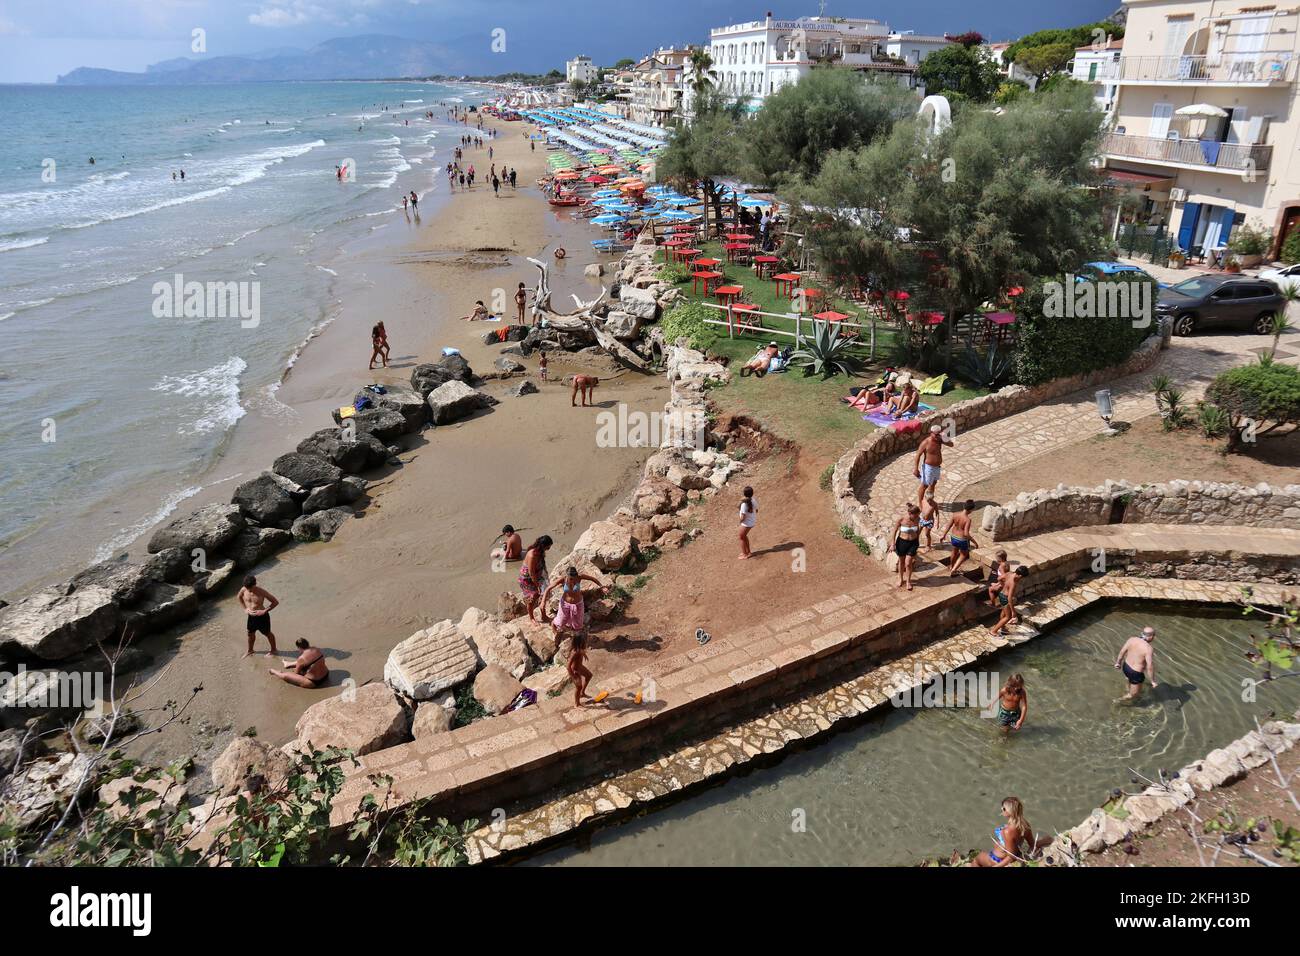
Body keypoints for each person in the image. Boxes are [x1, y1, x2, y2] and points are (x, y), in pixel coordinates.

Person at [541, 565, 608, 640]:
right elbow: (548, 588)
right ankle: (555, 631)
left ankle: (575, 638)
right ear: (567, 576)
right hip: (565, 604)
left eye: (574, 578)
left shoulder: (579, 577)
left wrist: (602, 587)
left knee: (578, 624)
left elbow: (592, 579)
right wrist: (543, 601)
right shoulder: (563, 579)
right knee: (561, 621)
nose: (573, 580)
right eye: (571, 578)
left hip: (578, 604)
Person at [972, 797, 1034, 867]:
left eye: (1003, 808)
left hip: (997, 860)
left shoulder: (1007, 831)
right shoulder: (1024, 824)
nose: (1002, 809)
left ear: (1009, 811)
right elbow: (1032, 844)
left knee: (976, 857)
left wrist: (996, 866)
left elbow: (1011, 856)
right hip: (1009, 855)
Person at [238, 575, 279, 658]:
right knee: (250, 633)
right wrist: (245, 609)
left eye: (250, 588)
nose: (248, 590)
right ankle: (250, 650)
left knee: (267, 633)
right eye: (247, 587)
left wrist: (264, 611)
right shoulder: (244, 589)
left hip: (262, 617)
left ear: (255, 584)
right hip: (251, 617)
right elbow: (239, 597)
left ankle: (274, 650)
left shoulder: (262, 592)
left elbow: (275, 602)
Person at [913, 424, 952, 506]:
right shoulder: (926, 442)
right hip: (928, 468)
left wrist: (945, 437)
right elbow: (918, 455)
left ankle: (930, 500)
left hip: (937, 467)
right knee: (924, 485)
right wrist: (915, 469)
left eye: (939, 434)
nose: (937, 436)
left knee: (933, 483)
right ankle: (920, 504)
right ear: (931, 433)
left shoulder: (940, 440)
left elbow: (951, 445)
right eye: (936, 434)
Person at [1115, 626, 1158, 700]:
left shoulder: (1131, 639)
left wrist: (1118, 663)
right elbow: (1150, 666)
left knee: (1129, 678)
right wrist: (1152, 681)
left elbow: (1122, 652)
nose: (1154, 637)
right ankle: (1117, 700)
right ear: (1150, 636)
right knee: (1134, 695)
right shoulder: (1148, 648)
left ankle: (1128, 689)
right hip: (1136, 673)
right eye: (1153, 635)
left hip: (1126, 666)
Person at [940, 498, 978, 574]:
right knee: (964, 554)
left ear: (964, 506)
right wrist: (975, 542)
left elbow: (949, 525)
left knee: (954, 551)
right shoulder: (967, 520)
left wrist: (943, 534)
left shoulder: (955, 514)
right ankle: (954, 570)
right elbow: (966, 534)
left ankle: (951, 566)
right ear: (971, 510)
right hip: (962, 539)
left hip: (953, 537)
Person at [519, 535, 552, 622]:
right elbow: (531, 572)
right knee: (532, 599)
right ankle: (531, 618)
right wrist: (537, 585)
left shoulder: (540, 552)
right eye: (548, 547)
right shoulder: (532, 555)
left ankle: (544, 615)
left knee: (543, 595)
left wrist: (545, 580)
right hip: (527, 579)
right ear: (543, 546)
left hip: (538, 576)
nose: (549, 549)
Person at [989, 567, 1028, 636]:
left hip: (1001, 594)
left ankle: (1002, 627)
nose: (1021, 579)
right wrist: (1013, 611)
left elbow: (999, 578)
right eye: (1021, 578)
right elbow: (1009, 598)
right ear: (1020, 576)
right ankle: (993, 631)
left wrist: (1002, 584)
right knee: (1008, 617)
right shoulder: (1013, 583)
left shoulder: (1009, 573)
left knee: (1003, 612)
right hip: (1005, 598)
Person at [891, 503, 922, 590]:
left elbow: (918, 530)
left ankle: (908, 581)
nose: (916, 517)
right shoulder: (901, 519)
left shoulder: (918, 519)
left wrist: (917, 538)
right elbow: (894, 531)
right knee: (902, 562)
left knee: (908, 563)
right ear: (910, 514)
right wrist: (892, 543)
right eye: (915, 515)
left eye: (917, 515)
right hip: (902, 542)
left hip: (913, 543)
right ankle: (900, 578)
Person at [738, 486, 757, 559]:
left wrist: (740, 521)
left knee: (741, 537)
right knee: (744, 536)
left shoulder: (744, 504)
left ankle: (744, 554)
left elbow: (743, 517)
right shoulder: (753, 500)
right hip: (751, 521)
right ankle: (748, 552)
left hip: (746, 523)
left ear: (744, 494)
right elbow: (757, 509)